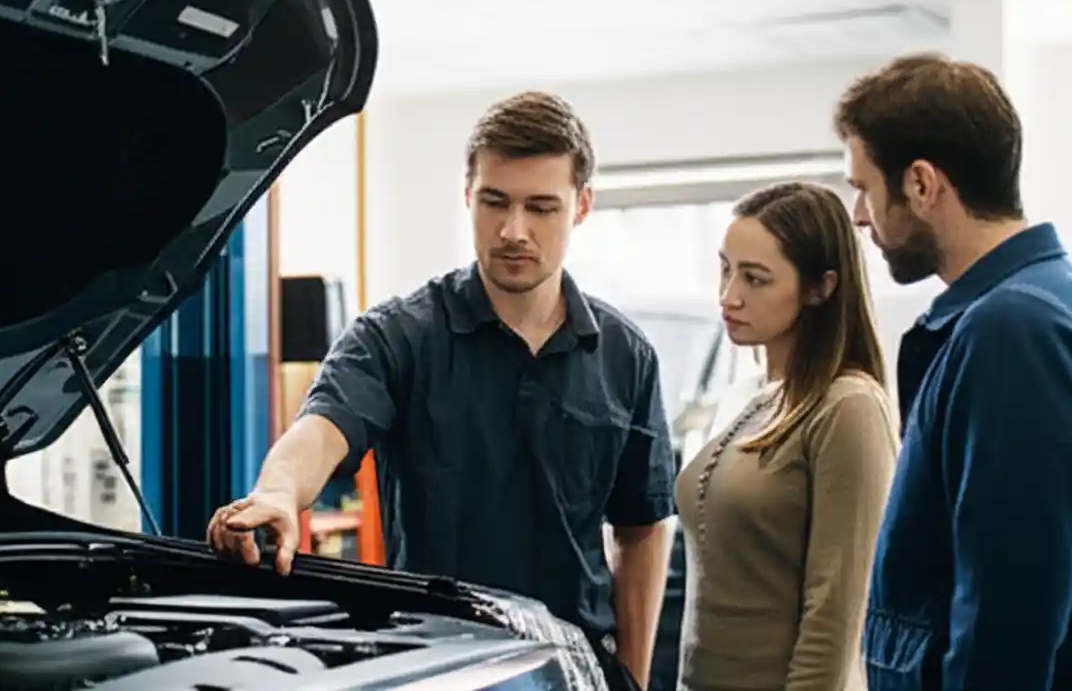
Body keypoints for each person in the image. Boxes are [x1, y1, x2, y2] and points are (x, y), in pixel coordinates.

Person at [206, 91, 676, 689]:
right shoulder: (397, 336)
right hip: (434, 667)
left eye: (541, 208)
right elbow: (323, 428)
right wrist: (276, 492)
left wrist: (629, 679)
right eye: (494, 202)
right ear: (467, 195)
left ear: (582, 206)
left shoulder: (625, 356)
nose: (513, 230)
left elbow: (641, 528)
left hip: (573, 671)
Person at [835, 52, 1072, 690]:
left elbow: (1010, 594)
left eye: (864, 188)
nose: (861, 216)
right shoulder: (1022, 310)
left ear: (921, 184)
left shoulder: (1011, 329)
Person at [674, 182, 899, 690]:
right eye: (726, 269)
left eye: (755, 279)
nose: (729, 295)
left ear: (821, 288)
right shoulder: (747, 395)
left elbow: (834, 615)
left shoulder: (848, 407)